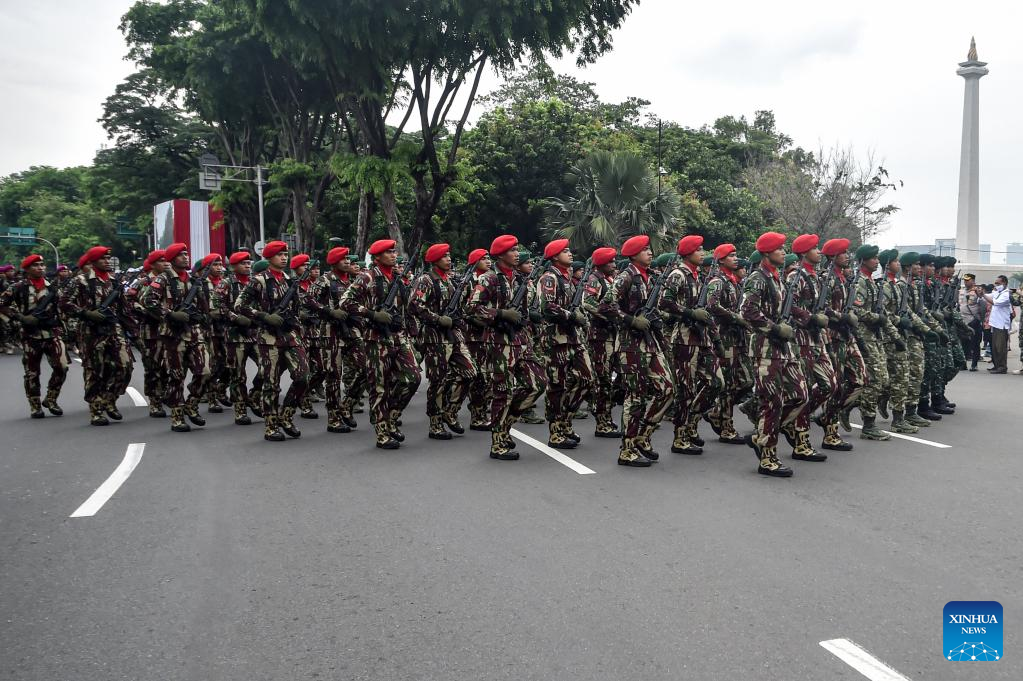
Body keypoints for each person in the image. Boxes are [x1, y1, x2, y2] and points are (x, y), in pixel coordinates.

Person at [466, 235, 546, 460]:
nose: (517, 254)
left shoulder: (520, 279)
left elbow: (524, 310)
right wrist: (500, 314)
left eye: (517, 250)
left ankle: (506, 423)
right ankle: (498, 441)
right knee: (502, 392)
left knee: (538, 383)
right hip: (499, 342)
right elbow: (473, 308)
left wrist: (529, 317)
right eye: (512, 250)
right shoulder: (489, 279)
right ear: (501, 255)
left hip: (521, 340)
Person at [339, 239, 422, 449]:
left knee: (413, 377)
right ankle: (382, 431)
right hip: (376, 339)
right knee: (379, 386)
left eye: (394, 251)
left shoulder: (397, 277)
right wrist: (372, 314)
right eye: (389, 252)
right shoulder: (367, 277)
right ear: (377, 257)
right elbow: (345, 302)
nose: (394, 255)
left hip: (399, 336)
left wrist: (412, 330)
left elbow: (407, 308)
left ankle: (391, 416)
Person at [600, 234, 674, 467]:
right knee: (636, 396)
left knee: (668, 389)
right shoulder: (626, 277)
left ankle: (643, 434)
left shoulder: (651, 277)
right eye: (645, 250)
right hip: (631, 346)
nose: (650, 253)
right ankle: (628, 448)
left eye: (649, 249)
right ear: (634, 255)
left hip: (650, 342)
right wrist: (631, 320)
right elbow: (605, 305)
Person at [741, 231, 807, 477]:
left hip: (783, 349)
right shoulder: (758, 278)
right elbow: (748, 312)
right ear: (767, 252)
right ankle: (767, 457)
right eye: (779, 248)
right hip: (766, 349)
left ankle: (761, 436)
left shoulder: (777, 278)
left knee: (801, 396)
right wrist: (775, 328)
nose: (783, 251)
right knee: (773, 402)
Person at [235, 240, 311, 441]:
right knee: (271, 383)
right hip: (268, 338)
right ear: (269, 258)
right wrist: (263, 316)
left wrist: (296, 323)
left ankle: (286, 415)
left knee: (303, 376)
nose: (284, 258)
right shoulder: (259, 280)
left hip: (290, 336)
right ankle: (271, 424)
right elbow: (240, 305)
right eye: (280, 255)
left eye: (286, 254)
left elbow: (298, 308)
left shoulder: (289, 280)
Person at [408, 242, 478, 440]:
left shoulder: (450, 280)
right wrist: (438, 319)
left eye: (449, 255)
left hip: (453, 335)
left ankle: (450, 410)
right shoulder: (426, 280)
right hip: (434, 337)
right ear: (435, 260)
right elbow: (414, 305)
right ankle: (435, 423)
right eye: (445, 256)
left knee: (470, 373)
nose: (449, 259)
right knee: (437, 381)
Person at [140, 243, 212, 432]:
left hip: (194, 332)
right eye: (181, 255)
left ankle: (192, 403)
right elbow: (147, 301)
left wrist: (202, 317)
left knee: (204, 371)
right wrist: (169, 314)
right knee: (176, 376)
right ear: (172, 260)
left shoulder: (194, 280)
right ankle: (177, 416)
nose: (185, 258)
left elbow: (204, 306)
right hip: (172, 334)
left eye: (187, 254)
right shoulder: (163, 279)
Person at [659, 234, 720, 456]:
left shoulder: (698, 276)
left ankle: (691, 422)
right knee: (685, 389)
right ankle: (680, 436)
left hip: (702, 338)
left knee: (716, 383)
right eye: (699, 249)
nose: (703, 252)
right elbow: (664, 301)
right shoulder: (678, 274)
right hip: (684, 339)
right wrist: (689, 312)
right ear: (688, 253)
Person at [59, 246, 134, 425]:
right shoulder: (80, 281)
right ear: (93, 262)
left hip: (113, 328)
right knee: (94, 370)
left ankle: (109, 398)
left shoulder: (114, 282)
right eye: (103, 258)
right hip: (90, 331)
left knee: (125, 366)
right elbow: (64, 303)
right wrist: (86, 313)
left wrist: (135, 331)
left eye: (108, 258)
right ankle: (96, 409)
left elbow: (124, 309)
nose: (107, 261)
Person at [536, 239, 593, 449]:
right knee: (556, 386)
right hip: (556, 340)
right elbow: (548, 308)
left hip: (573, 338)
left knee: (587, 379)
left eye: (570, 250)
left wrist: (581, 318)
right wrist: (572, 316)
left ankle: (566, 419)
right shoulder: (550, 278)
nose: (570, 254)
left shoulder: (568, 278)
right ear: (554, 256)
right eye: (565, 251)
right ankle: (555, 431)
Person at [0, 254, 68, 418]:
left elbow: (61, 308)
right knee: (32, 372)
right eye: (36, 265)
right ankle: (35, 405)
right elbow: (2, 304)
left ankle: (51, 398)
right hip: (30, 335)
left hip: (52, 332)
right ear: (27, 269)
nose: (41, 268)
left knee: (62, 367)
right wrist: (20, 318)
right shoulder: (18, 287)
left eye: (42, 265)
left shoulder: (52, 287)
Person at [704, 243, 751, 445]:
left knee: (746, 381)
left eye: (735, 255)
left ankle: (716, 413)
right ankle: (725, 426)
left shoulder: (734, 282)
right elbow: (712, 305)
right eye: (731, 255)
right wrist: (734, 317)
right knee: (729, 384)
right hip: (725, 339)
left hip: (738, 338)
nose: (736, 258)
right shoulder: (718, 281)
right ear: (721, 260)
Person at [212, 251, 261, 425]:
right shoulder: (226, 283)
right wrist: (234, 317)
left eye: (249, 263)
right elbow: (216, 305)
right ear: (234, 266)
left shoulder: (255, 282)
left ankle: (254, 395)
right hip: (235, 335)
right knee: (238, 374)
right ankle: (240, 409)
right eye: (243, 263)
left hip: (255, 333)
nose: (247, 266)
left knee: (267, 367)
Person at [581, 247, 622, 438]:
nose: (614, 265)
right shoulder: (594, 279)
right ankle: (602, 421)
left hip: (612, 336)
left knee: (612, 379)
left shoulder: (609, 279)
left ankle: (606, 417)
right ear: (601, 264)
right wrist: (608, 316)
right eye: (610, 262)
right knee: (603, 378)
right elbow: (587, 302)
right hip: (600, 336)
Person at [984, 275, 1011, 374]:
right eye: (996, 283)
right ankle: (996, 365)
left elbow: (995, 302)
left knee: (1001, 348)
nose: (996, 285)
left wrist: (983, 295)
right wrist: (981, 294)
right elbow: (989, 296)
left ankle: (1002, 367)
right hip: (995, 324)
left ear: (1005, 283)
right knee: (995, 347)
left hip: (1001, 325)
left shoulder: (1006, 294)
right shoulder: (998, 292)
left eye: (998, 283)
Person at [960, 273, 986, 371]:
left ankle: (974, 364)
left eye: (968, 280)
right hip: (962, 321)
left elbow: (983, 306)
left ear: (973, 281)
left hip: (973, 321)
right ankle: (963, 364)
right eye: (965, 280)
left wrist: (979, 319)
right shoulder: (961, 291)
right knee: (963, 343)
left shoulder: (977, 291)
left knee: (975, 344)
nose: (966, 282)